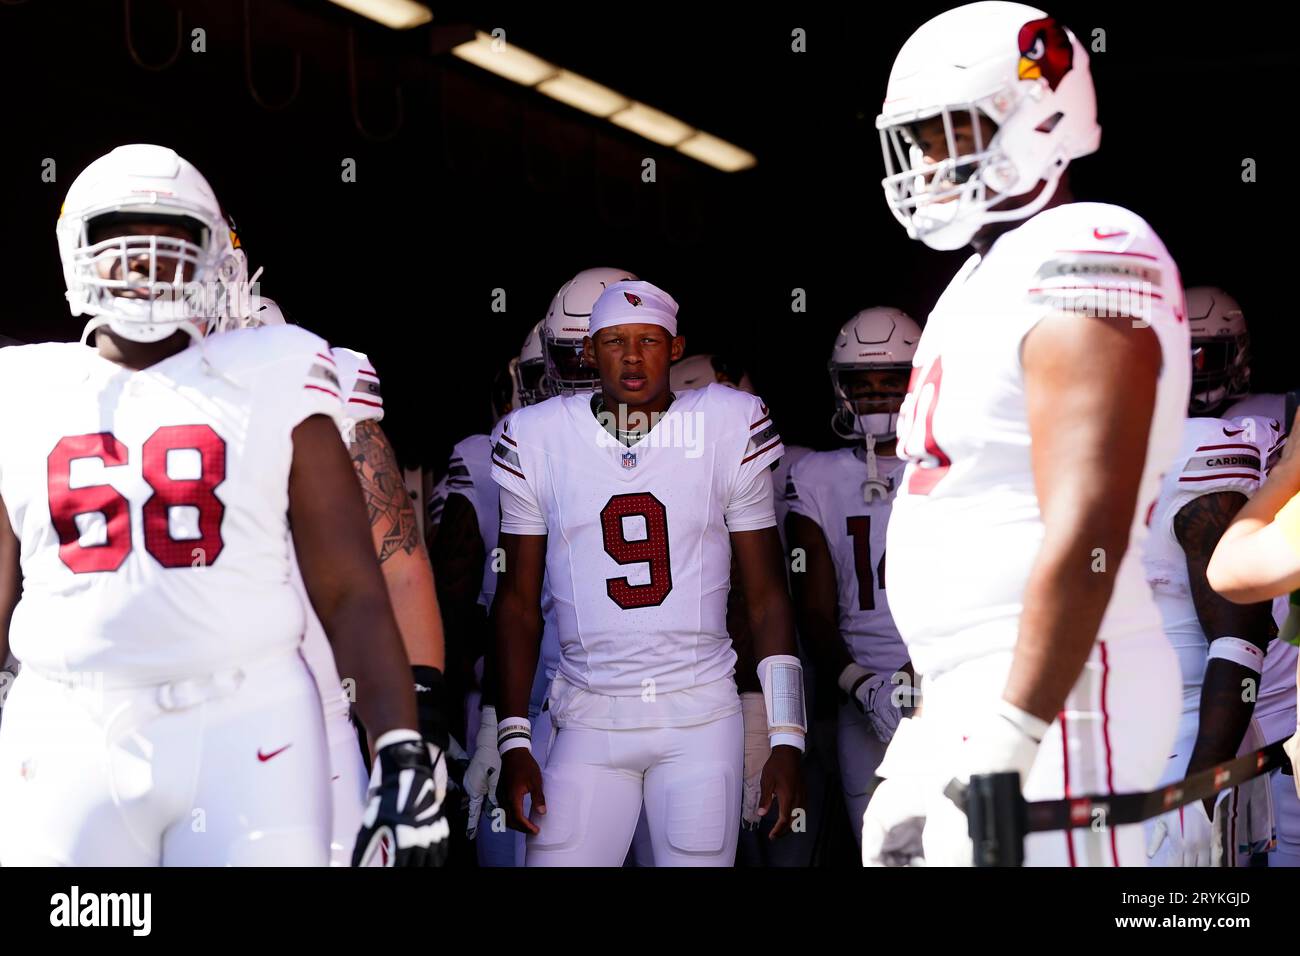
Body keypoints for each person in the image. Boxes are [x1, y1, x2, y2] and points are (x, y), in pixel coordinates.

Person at [0, 144, 443, 866]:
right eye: (118, 235)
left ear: (212, 256)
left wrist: (403, 741)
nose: (142, 258)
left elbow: (353, 587)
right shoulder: (20, 385)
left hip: (248, 723)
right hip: (69, 727)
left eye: (171, 237)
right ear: (72, 249)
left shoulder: (279, 367)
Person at [863, 3, 1190, 867]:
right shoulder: (985, 272)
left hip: (1066, 697)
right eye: (919, 140)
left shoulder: (1090, 244)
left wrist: (1010, 741)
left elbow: (1087, 527)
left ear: (1038, 118)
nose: (930, 162)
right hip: (980, 692)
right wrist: (928, 740)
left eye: (949, 133)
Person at [493, 279, 805, 865]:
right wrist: (512, 737)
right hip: (586, 714)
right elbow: (515, 601)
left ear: (677, 347)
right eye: (613, 342)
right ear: (588, 352)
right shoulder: (537, 437)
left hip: (699, 716)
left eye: (649, 341)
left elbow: (766, 596)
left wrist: (787, 736)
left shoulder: (726, 423)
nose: (632, 357)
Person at [785, 308, 918, 849]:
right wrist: (861, 684)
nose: (877, 396)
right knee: (880, 849)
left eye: (892, 381)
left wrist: (919, 675)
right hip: (858, 691)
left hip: (947, 685)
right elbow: (812, 608)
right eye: (863, 384)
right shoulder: (815, 476)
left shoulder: (953, 464)